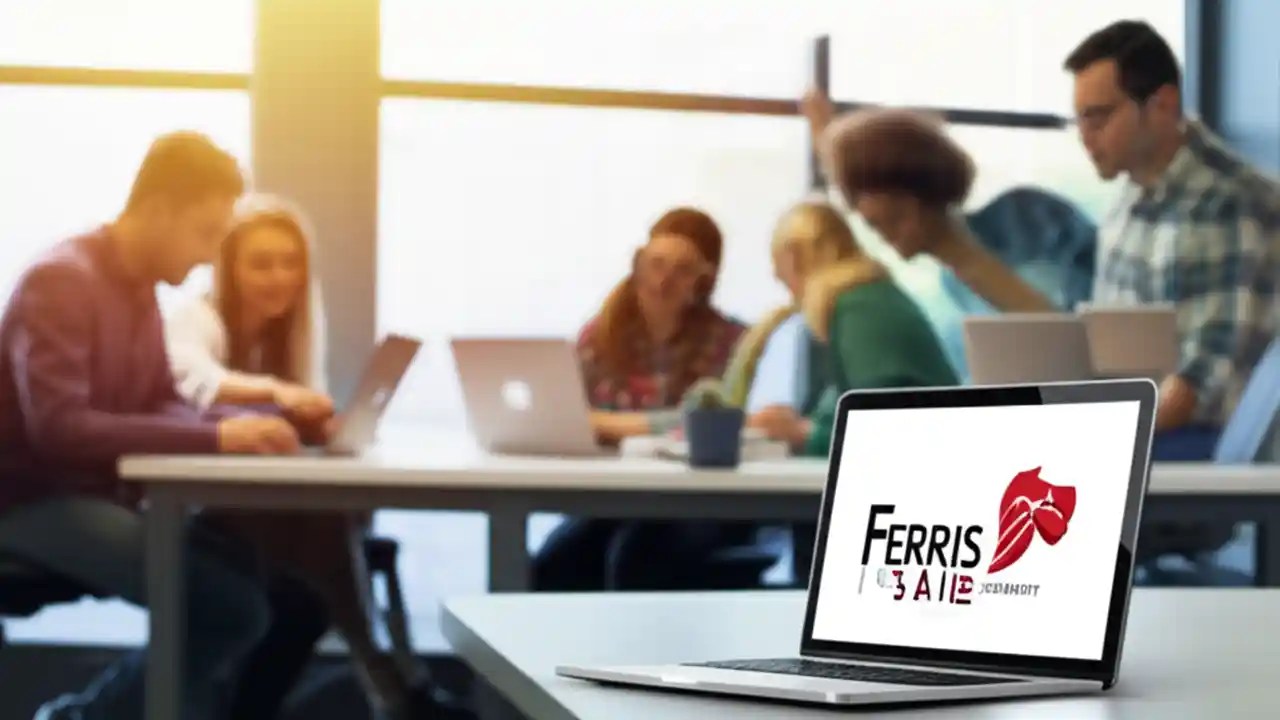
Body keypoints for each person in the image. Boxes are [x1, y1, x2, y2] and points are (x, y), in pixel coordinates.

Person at [800, 19, 1280, 436]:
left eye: (1100, 117)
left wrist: (1084, 432)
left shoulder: (1229, 204)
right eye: (1079, 121)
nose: (1086, 138)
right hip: (1129, 425)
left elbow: (1204, 384)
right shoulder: (1131, 200)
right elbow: (1091, 353)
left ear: (1161, 105)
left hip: (1186, 445)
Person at [0, 132, 324, 720]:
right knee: (227, 605)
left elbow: (160, 402)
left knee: (245, 581)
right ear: (157, 211)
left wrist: (260, 422)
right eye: (205, 234)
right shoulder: (62, 282)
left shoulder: (139, 291)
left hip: (96, 498)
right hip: (28, 502)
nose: (208, 256)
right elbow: (60, 429)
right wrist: (220, 436)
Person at [164, 194, 436, 720]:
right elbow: (195, 381)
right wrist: (280, 395)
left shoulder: (291, 332)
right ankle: (388, 680)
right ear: (229, 268)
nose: (278, 277)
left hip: (256, 510)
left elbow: (288, 419)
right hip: (191, 508)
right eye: (261, 263)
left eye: (290, 263)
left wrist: (315, 423)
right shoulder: (196, 319)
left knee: (318, 555)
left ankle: (387, 684)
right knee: (323, 539)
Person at [533, 207, 748, 590]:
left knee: (635, 558)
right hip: (615, 495)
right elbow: (567, 413)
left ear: (704, 281)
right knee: (554, 562)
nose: (662, 280)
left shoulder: (730, 342)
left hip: (698, 502)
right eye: (655, 263)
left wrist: (607, 424)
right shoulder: (602, 333)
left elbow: (712, 421)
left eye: (682, 270)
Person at [744, 200, 959, 455]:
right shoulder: (869, 299)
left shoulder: (860, 308)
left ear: (794, 257)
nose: (778, 277)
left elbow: (880, 428)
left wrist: (801, 433)